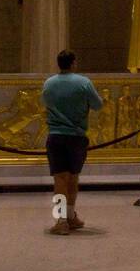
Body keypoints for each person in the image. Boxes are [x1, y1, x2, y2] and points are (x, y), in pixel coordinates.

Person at [42, 51, 103, 235]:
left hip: (56, 135)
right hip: (76, 136)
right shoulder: (83, 82)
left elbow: (45, 102)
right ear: (74, 63)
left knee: (59, 178)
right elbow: (98, 105)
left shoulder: (49, 83)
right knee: (73, 177)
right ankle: (69, 216)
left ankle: (61, 220)